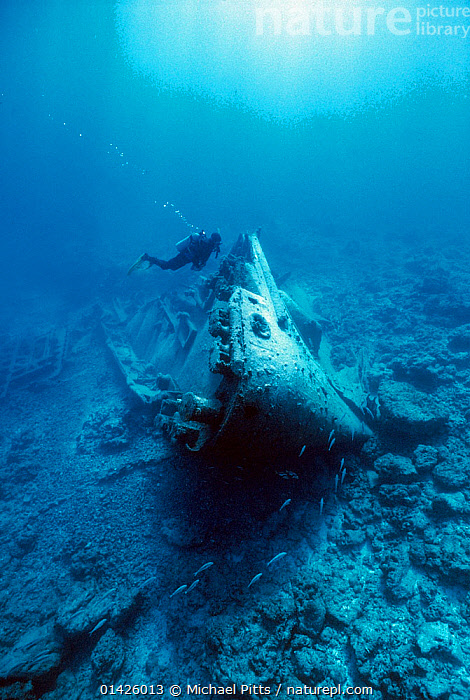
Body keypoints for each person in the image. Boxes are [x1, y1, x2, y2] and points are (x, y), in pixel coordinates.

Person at [143, 231, 222, 271]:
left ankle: (151, 259)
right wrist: (197, 265)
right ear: (214, 241)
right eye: (217, 243)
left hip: (185, 257)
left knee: (172, 267)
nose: (217, 246)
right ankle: (148, 258)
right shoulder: (206, 247)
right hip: (184, 257)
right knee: (166, 266)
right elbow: (195, 255)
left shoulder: (205, 243)